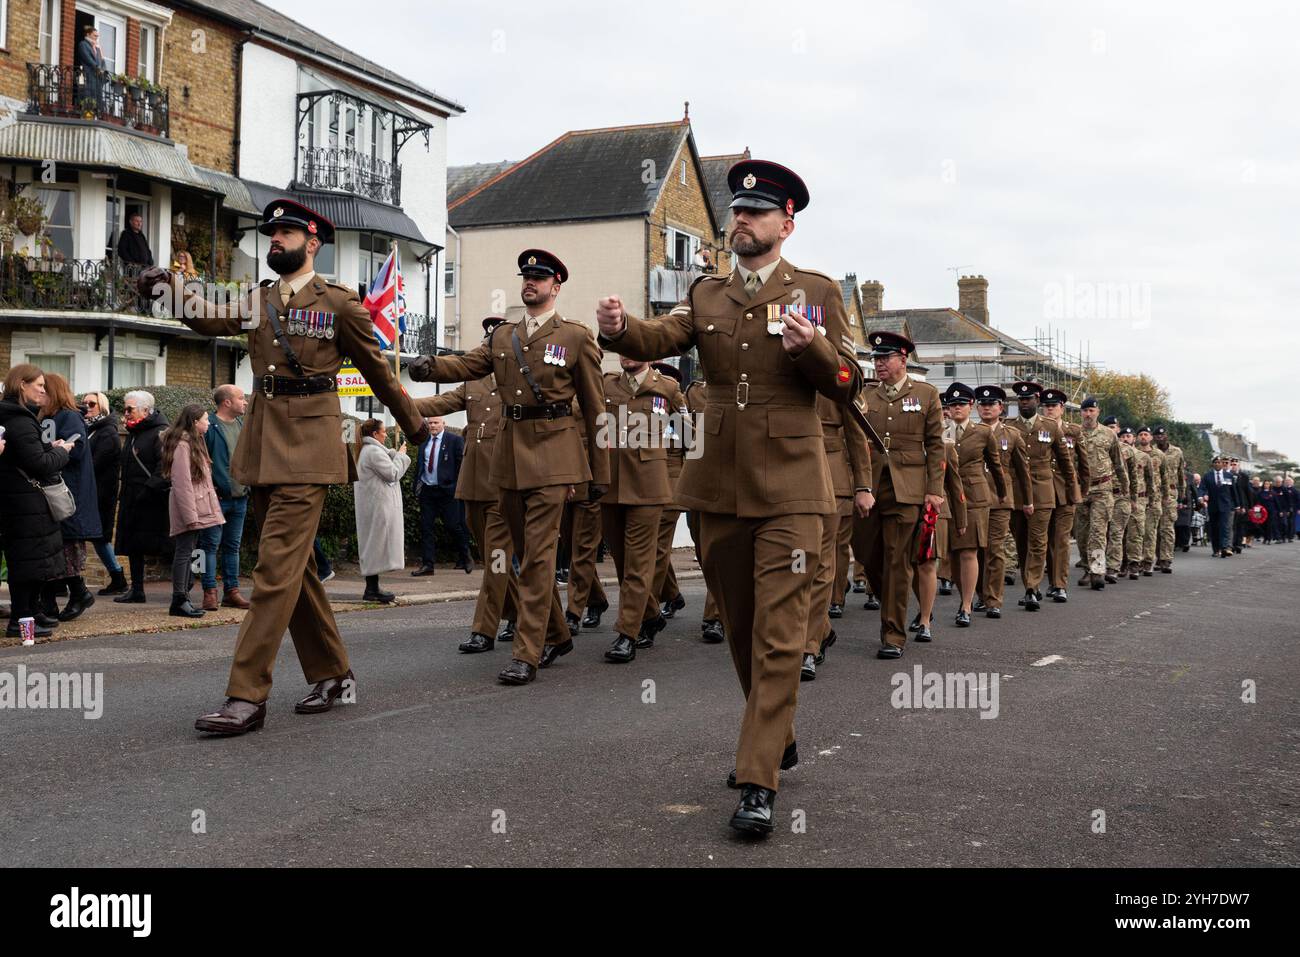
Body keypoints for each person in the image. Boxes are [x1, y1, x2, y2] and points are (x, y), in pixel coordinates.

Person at [596, 159, 863, 835]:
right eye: (735, 211)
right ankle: (776, 735)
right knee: (741, 629)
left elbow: (846, 380)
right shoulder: (707, 291)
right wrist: (620, 327)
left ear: (785, 223)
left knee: (778, 634)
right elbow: (661, 337)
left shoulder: (815, 291)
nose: (740, 220)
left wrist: (813, 348)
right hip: (715, 481)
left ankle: (756, 779)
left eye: (754, 212)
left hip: (794, 486)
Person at [143, 197, 430, 735]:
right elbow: (209, 320)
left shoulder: (341, 303)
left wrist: (413, 424)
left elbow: (381, 376)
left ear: (312, 242)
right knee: (295, 573)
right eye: (270, 235)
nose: (275, 241)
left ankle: (246, 695)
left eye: (286, 234)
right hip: (264, 444)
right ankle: (335, 675)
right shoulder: (259, 298)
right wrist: (169, 287)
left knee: (272, 573)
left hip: (310, 449)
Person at [409, 248, 608, 684]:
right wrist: (429, 367)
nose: (529, 283)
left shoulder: (575, 337)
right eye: (526, 277)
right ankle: (557, 633)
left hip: (556, 458)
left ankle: (526, 652)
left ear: (556, 286)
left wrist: (599, 475)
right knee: (517, 554)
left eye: (539, 278)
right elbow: (467, 365)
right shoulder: (503, 338)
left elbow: (595, 412)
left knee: (537, 557)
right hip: (509, 457)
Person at [414, 322, 521, 652]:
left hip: (505, 479)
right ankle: (523, 614)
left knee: (498, 556)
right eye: (486, 341)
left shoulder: (520, 381)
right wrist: (400, 400)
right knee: (492, 558)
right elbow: (443, 401)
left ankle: (483, 630)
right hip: (473, 480)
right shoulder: (472, 381)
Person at [598, 356, 687, 663]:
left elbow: (690, 436)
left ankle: (626, 635)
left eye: (634, 348)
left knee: (638, 564)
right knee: (623, 564)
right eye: (622, 349)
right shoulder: (606, 384)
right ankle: (650, 615)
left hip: (650, 487)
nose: (627, 354)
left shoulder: (668, 388)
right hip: (612, 485)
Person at [800, 388, 872, 679]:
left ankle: (807, 646)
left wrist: (863, 486)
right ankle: (822, 628)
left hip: (831, 478)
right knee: (795, 563)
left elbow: (856, 435)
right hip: (784, 475)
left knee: (820, 562)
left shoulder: (833, 374)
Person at [0, 365, 75, 638]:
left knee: (32, 562)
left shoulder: (13, 416)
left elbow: (28, 454)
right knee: (28, 564)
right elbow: (39, 464)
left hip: (18, 501)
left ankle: (29, 616)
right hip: (25, 503)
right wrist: (63, 453)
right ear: (22, 384)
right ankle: (21, 623)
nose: (43, 391)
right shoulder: (19, 420)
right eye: (39, 385)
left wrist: (48, 449)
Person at [35, 374, 102, 622]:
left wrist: (53, 449)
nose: (40, 393)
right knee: (54, 550)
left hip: (68, 494)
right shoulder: (44, 417)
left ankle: (79, 593)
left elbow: (77, 450)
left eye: (44, 389)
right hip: (52, 491)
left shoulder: (69, 416)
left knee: (66, 550)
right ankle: (54, 600)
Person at [1008, 381, 1077, 610]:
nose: (1024, 403)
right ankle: (1031, 583)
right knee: (1022, 542)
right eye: (1021, 399)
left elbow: (1066, 463)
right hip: (1017, 492)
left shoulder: (1050, 427)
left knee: (1039, 541)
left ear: (1036, 401)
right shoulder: (1009, 427)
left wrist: (1073, 491)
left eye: (1028, 399)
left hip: (1043, 491)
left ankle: (1032, 588)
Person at [942, 382, 1007, 625]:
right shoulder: (940, 431)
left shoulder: (983, 433)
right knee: (953, 554)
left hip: (975, 498)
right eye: (952, 404)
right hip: (948, 497)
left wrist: (1001, 492)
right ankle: (965, 595)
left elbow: (996, 465)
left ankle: (966, 606)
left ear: (971, 405)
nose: (956, 408)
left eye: (961, 404)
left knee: (969, 551)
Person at [161, 404, 224, 618]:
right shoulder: (183, 445)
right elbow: (182, 483)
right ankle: (179, 599)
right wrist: (191, 516)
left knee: (189, 551)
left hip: (197, 506)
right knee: (184, 552)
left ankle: (183, 598)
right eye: (205, 419)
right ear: (195, 422)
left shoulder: (195, 442)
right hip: (189, 508)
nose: (208, 422)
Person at [113, 390, 171, 604]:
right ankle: (137, 590)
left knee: (166, 545)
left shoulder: (160, 432)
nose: (126, 413)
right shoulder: (134, 432)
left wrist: (147, 490)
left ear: (146, 411)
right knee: (133, 546)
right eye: (125, 409)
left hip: (153, 500)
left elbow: (165, 466)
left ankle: (184, 586)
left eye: (130, 409)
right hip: (132, 499)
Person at [200, 384, 250, 611]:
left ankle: (232, 591)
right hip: (215, 498)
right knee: (208, 546)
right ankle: (209, 592)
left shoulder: (242, 425)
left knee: (232, 546)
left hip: (240, 497)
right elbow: (200, 463)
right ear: (227, 402)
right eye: (241, 398)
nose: (245, 402)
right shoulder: (209, 426)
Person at [354, 419, 410, 603]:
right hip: (378, 507)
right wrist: (401, 455)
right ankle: (371, 589)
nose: (386, 434)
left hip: (374, 506)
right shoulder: (373, 451)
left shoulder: (370, 450)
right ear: (375, 434)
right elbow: (393, 473)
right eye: (384, 431)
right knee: (374, 546)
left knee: (373, 546)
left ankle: (372, 588)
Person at [1073, 397, 1127, 590]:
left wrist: (1125, 488)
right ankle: (1087, 567)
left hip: (1102, 489)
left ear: (1098, 412)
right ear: (1081, 413)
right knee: (1081, 533)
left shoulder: (1108, 435)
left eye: (1091, 411)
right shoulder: (1073, 433)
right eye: (1085, 411)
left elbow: (1119, 463)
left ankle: (1097, 571)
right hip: (1080, 489)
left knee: (1098, 531)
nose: (1088, 414)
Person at [1041, 388, 1088, 601]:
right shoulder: (1038, 429)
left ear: (1062, 408)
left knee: (1061, 539)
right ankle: (1052, 580)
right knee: (1047, 539)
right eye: (1046, 406)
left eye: (1053, 406)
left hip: (1067, 492)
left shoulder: (1074, 431)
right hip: (1043, 491)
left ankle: (1060, 584)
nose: (1049, 409)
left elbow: (1084, 463)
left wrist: (1082, 490)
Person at [411, 416, 472, 575]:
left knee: (453, 525)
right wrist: (417, 485)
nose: (433, 426)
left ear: (443, 424)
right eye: (430, 423)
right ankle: (428, 565)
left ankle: (465, 556)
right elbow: (420, 465)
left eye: (436, 423)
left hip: (447, 491)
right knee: (426, 528)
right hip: (428, 491)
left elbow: (462, 465)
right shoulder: (424, 441)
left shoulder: (454, 440)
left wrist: (455, 486)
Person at [83, 392, 128, 595]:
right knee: (96, 537)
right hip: (92, 493)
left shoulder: (108, 432)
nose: (87, 406)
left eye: (91, 403)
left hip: (102, 494)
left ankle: (118, 577)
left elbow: (95, 463)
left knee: (99, 537)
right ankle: (117, 577)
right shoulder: (90, 428)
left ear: (101, 406)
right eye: (84, 403)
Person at [1152, 427, 1184, 571]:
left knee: (1167, 527)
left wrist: (1182, 491)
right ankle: (1158, 557)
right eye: (1157, 435)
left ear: (1167, 436)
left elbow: (1181, 472)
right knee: (1154, 528)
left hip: (1170, 492)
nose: (1160, 437)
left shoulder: (1177, 452)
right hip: (1154, 492)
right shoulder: (1150, 452)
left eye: (1162, 435)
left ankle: (1166, 559)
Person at [1198, 456, 1240, 557]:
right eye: (1215, 462)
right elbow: (1202, 488)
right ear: (1213, 464)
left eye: (1219, 462)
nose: (1217, 464)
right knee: (1214, 528)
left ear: (1222, 464)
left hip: (1225, 506)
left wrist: (1237, 505)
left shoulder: (1228, 476)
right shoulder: (1208, 476)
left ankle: (1224, 548)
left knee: (1224, 527)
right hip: (1213, 505)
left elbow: (1233, 491)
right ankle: (1216, 549)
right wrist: (1201, 497)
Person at [75, 26, 105, 110]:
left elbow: (102, 63)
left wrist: (102, 56)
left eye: (97, 36)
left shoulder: (97, 48)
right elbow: (87, 58)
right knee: (87, 94)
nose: (96, 37)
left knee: (97, 98)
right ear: (88, 34)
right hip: (87, 75)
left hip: (96, 78)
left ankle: (96, 111)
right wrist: (97, 67)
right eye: (94, 35)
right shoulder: (83, 44)